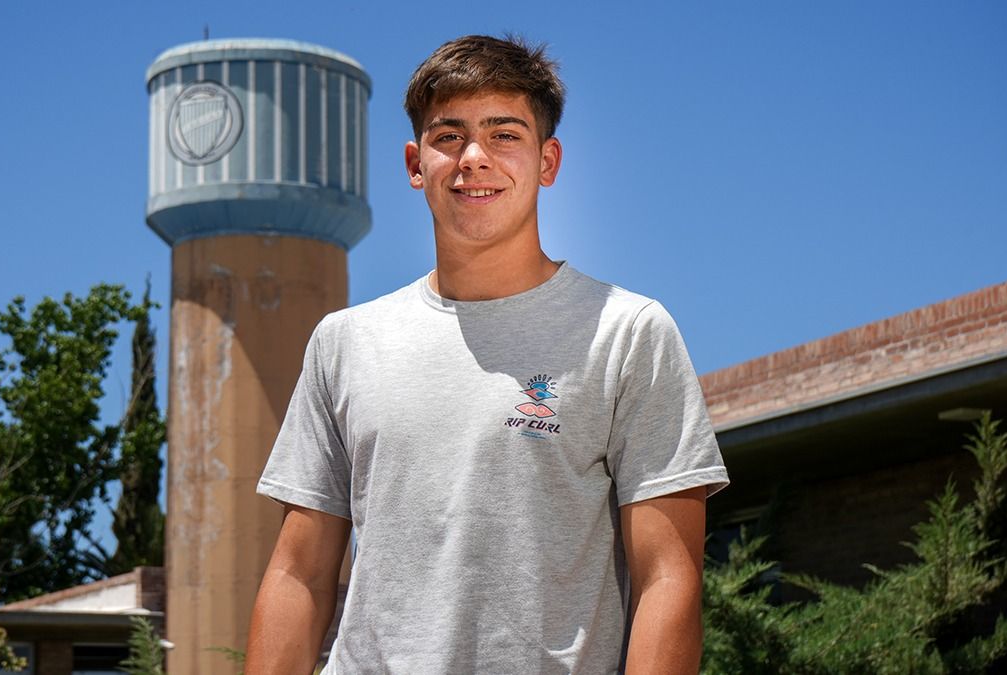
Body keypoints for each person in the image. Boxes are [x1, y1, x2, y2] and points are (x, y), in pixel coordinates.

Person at [245, 34, 728, 674]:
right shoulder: (345, 342)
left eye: (504, 134)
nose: (475, 158)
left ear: (547, 161)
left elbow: (669, 579)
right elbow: (299, 575)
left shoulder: (627, 331)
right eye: (449, 137)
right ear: (416, 164)